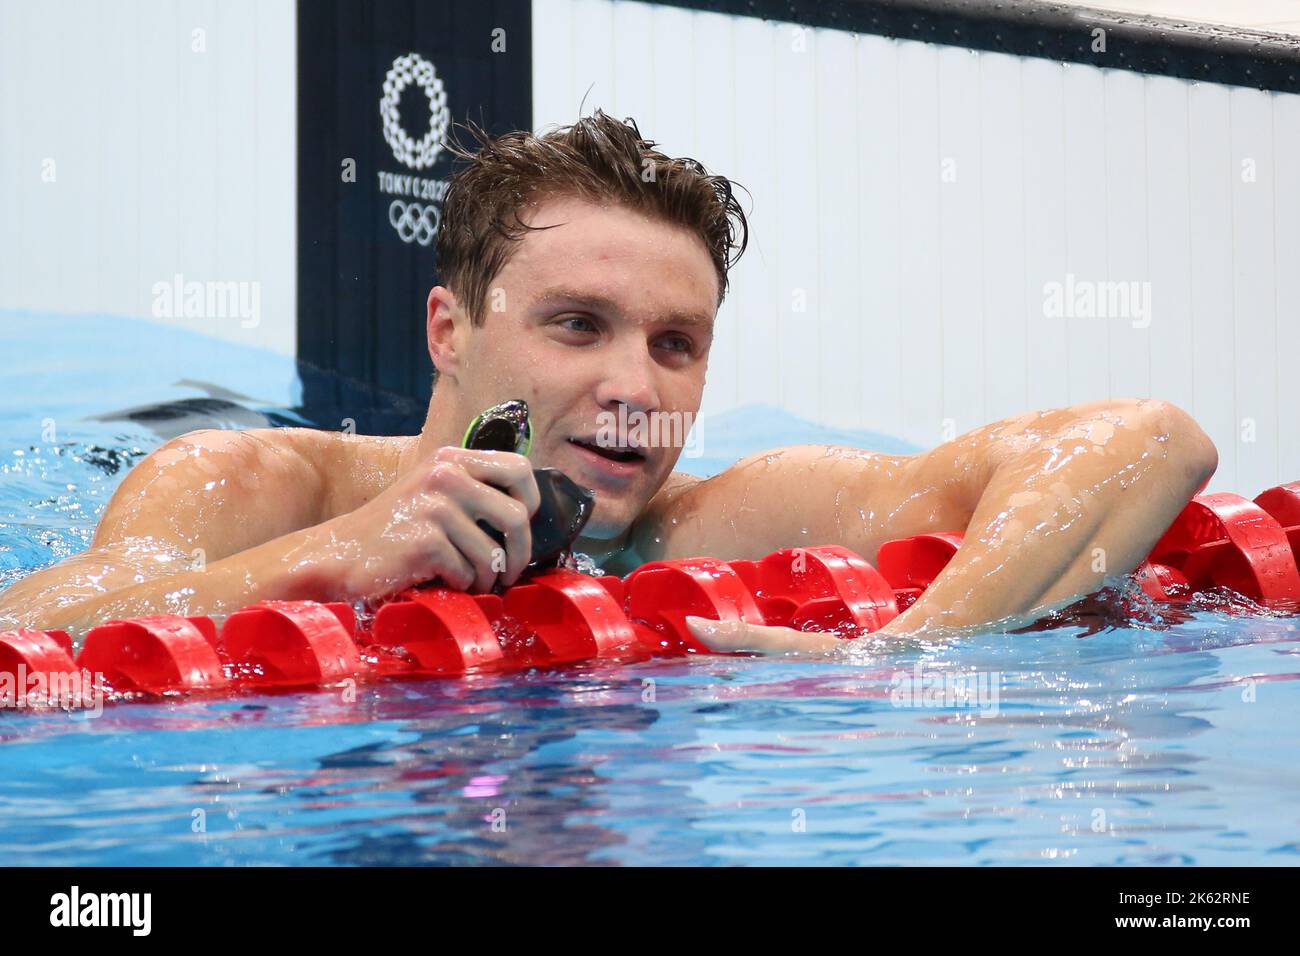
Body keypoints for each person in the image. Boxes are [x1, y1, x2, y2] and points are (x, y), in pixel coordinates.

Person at [0, 111, 1218, 656]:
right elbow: (34, 636)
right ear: (447, 327)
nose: (635, 386)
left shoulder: (714, 518)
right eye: (578, 325)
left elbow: (1142, 441)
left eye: (675, 343)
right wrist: (348, 556)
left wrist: (903, 649)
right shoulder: (247, 480)